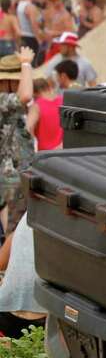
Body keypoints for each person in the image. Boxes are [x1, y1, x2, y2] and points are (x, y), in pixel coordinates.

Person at [0, 49, 35, 237]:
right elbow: (25, 95)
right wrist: (26, 64)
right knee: (15, 229)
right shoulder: (2, 100)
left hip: (13, 174)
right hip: (10, 175)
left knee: (13, 229)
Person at [25, 78, 64, 151]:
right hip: (63, 151)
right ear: (48, 87)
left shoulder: (36, 106)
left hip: (45, 156)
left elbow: (28, 129)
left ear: (34, 93)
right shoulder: (63, 101)